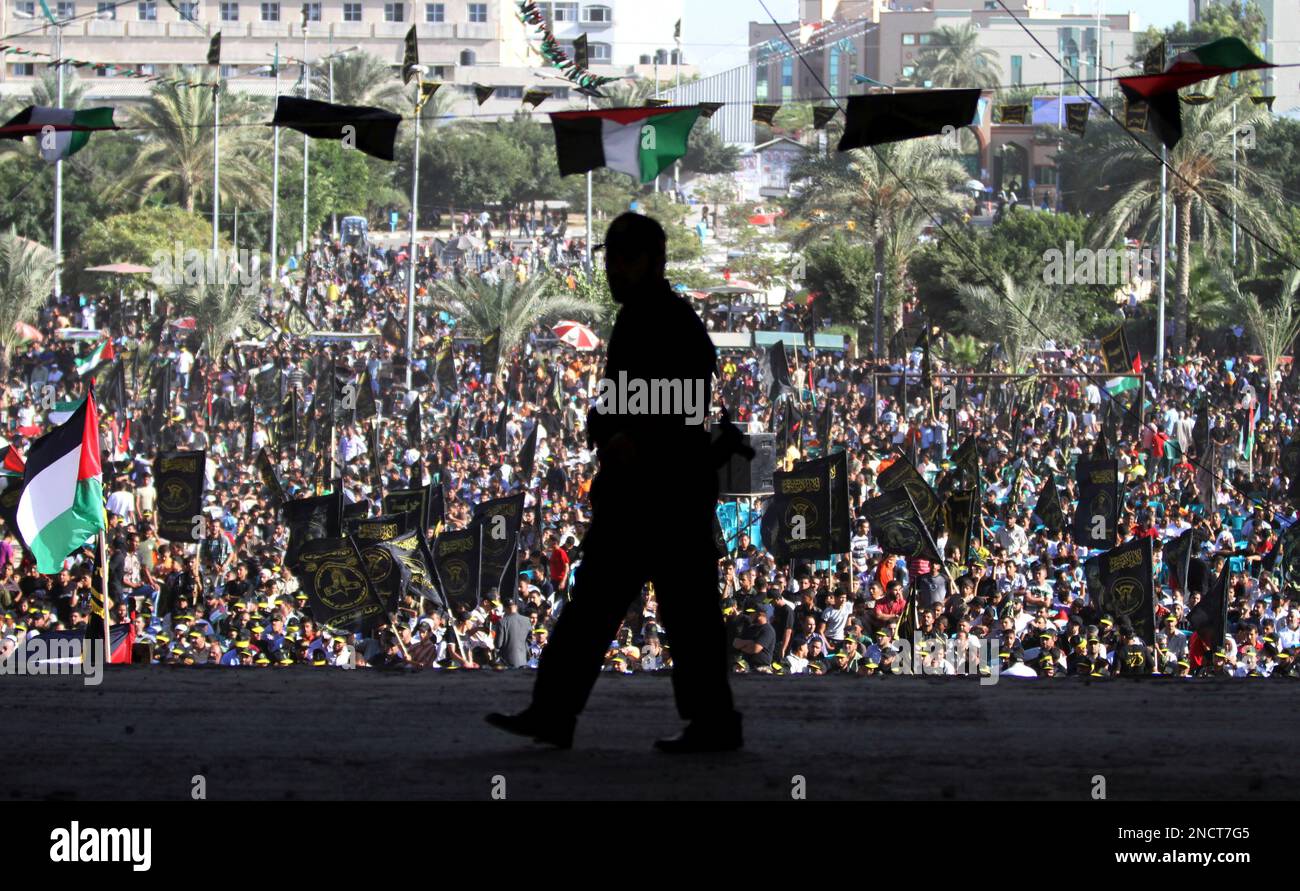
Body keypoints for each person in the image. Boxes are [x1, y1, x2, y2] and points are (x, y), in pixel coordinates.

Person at [487, 212, 745, 752]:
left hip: (663, 493)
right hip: (647, 493)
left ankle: (708, 722)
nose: (613, 271)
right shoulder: (640, 319)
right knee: (606, 608)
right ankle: (557, 712)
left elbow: (681, 408)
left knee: (678, 615)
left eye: (623, 262)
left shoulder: (670, 323)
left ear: (652, 261)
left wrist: (632, 438)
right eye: (610, 261)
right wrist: (610, 429)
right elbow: (620, 399)